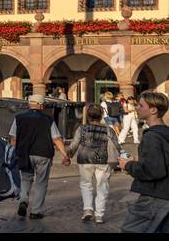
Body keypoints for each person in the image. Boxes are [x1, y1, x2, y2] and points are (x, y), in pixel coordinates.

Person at [9, 92, 70, 220]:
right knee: (41, 182)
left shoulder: (19, 118)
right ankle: (36, 211)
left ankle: (24, 200)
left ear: (29, 104)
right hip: (43, 154)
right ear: (41, 106)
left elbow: (13, 138)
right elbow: (57, 138)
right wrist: (65, 155)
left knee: (25, 178)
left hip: (24, 153)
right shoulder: (48, 119)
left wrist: (14, 153)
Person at [118, 91, 169, 233]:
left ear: (153, 110)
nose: (136, 108)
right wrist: (139, 163)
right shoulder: (165, 133)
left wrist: (128, 165)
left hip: (155, 196)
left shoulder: (151, 137)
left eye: (141, 105)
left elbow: (154, 170)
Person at [68, 102, 119, 224]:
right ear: (101, 115)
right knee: (102, 186)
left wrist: (68, 156)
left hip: (85, 159)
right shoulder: (108, 129)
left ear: (89, 116)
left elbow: (74, 145)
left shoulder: (82, 128)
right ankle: (99, 215)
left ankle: (88, 210)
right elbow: (117, 146)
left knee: (86, 184)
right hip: (103, 160)